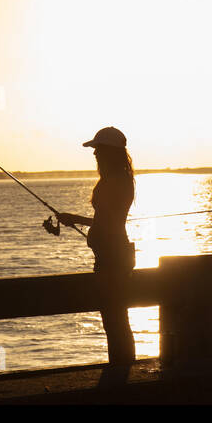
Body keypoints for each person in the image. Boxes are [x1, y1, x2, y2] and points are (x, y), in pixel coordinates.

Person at [58, 126, 136, 365]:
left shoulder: (114, 182)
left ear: (109, 152)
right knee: (116, 317)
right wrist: (76, 219)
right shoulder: (121, 180)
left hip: (112, 258)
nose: (94, 154)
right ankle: (123, 368)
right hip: (115, 255)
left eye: (97, 149)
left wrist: (79, 221)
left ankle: (120, 370)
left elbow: (107, 221)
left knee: (114, 319)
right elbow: (107, 219)